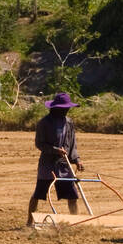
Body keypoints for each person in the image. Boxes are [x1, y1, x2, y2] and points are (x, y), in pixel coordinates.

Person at [27, 92, 84, 227]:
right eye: (64, 108)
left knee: (72, 196)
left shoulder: (69, 122)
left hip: (64, 165)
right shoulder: (44, 123)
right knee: (39, 194)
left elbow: (72, 144)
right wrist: (55, 150)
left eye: (67, 108)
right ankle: (29, 222)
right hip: (48, 165)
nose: (66, 110)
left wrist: (77, 160)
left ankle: (75, 222)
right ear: (56, 108)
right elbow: (39, 144)